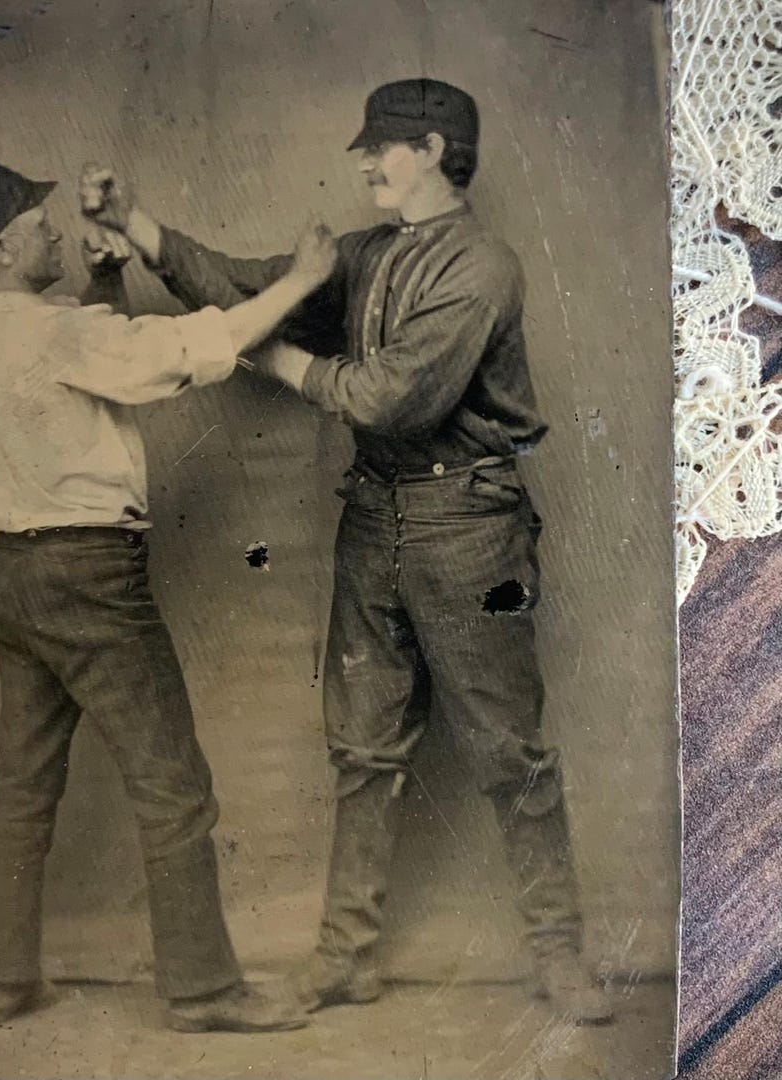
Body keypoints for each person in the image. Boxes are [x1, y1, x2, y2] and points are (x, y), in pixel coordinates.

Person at [82, 77, 614, 1025]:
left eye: (385, 147)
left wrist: (271, 360)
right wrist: (140, 225)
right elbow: (250, 287)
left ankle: (560, 955)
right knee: (365, 750)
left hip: (472, 528)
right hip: (374, 521)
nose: (366, 160)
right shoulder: (371, 253)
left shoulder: (483, 267)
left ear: (440, 151)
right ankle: (346, 957)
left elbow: (383, 400)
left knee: (510, 751)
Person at [0, 159, 336, 1032]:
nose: (51, 230)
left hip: (14, 578)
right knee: (173, 786)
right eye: (37, 222)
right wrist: (301, 280)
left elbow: (73, 358)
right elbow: (179, 356)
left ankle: (1, 983)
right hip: (90, 579)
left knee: (24, 786)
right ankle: (205, 992)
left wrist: (109, 276)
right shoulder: (51, 335)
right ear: (3, 247)